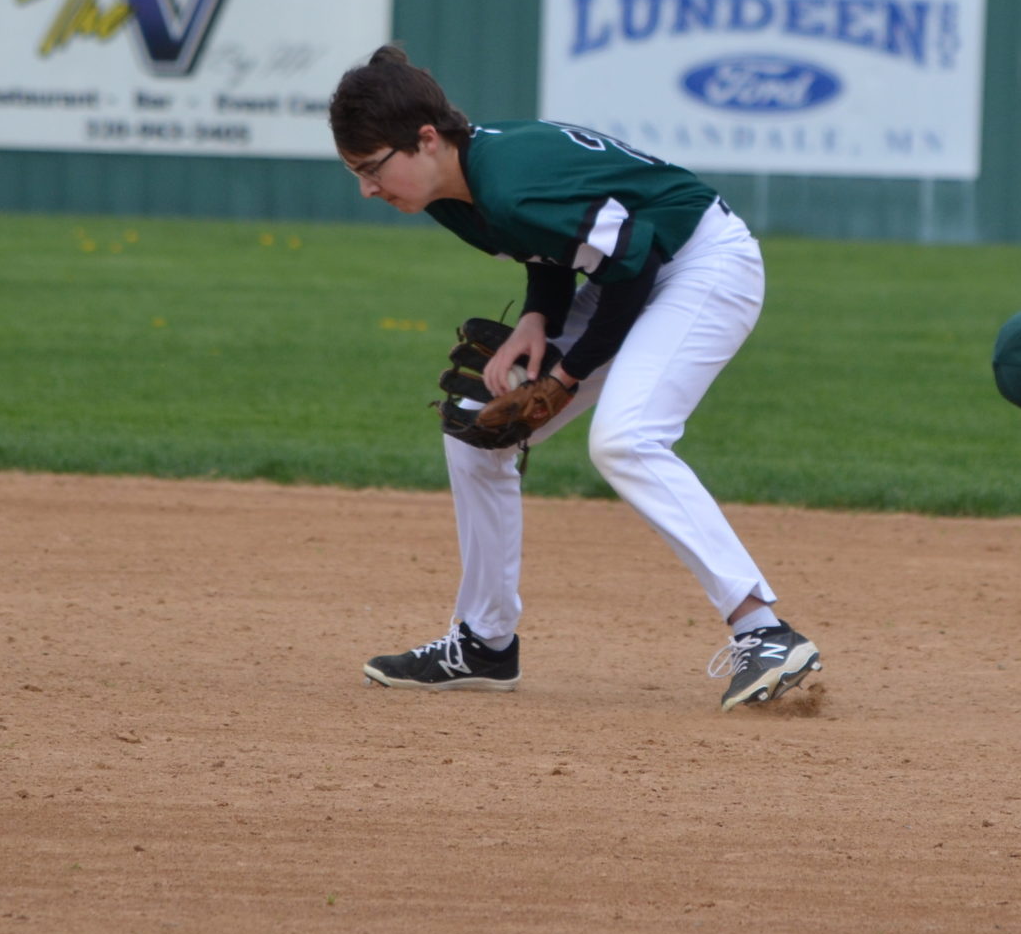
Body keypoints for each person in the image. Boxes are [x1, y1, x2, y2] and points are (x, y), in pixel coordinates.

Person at [326, 45, 821, 710]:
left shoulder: (506, 177)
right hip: (639, 268)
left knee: (626, 438)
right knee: (477, 426)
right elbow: (554, 247)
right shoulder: (457, 188)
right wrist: (537, 318)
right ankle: (485, 641)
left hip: (703, 265)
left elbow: (632, 263)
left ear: (425, 139)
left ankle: (762, 628)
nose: (368, 188)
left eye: (372, 168)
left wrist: (565, 374)